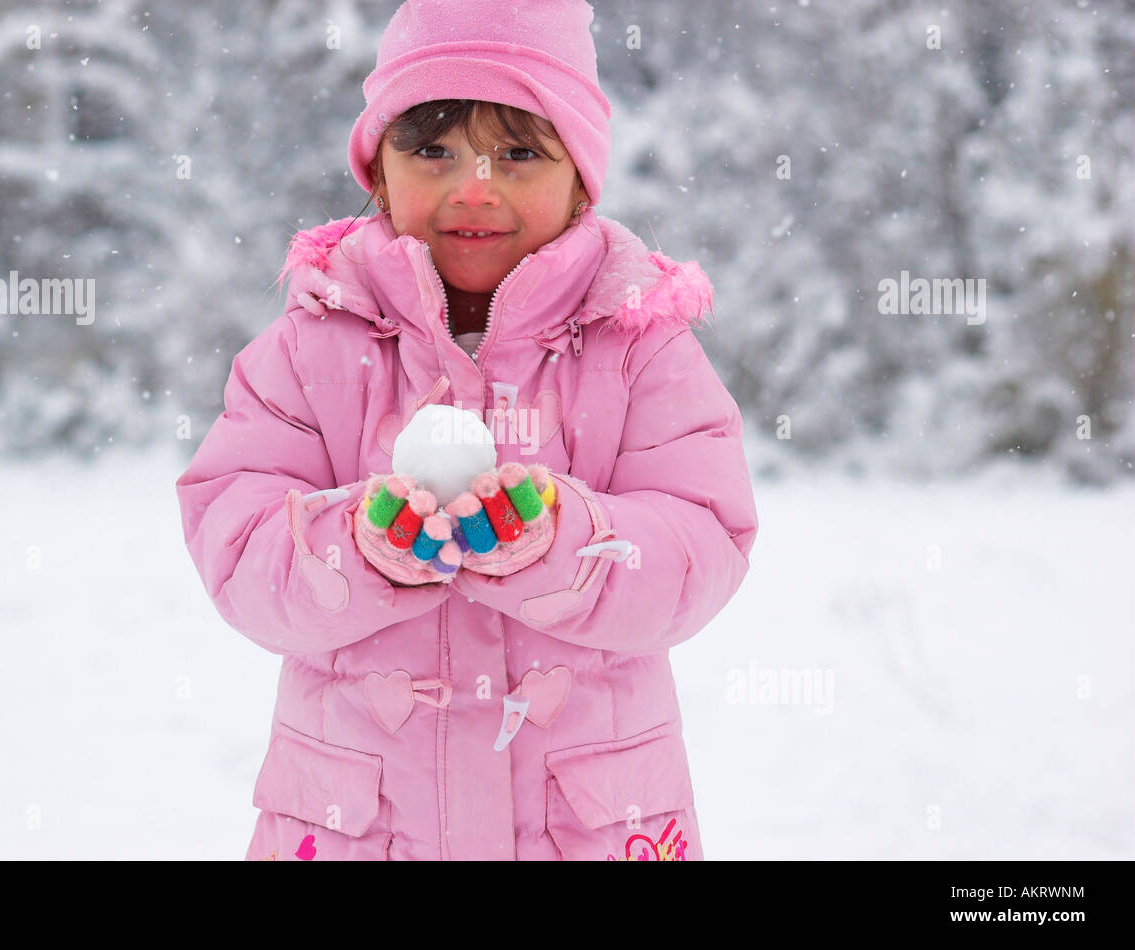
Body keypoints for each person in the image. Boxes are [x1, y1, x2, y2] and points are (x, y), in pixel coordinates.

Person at [175, 0, 758, 861]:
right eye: (432, 150)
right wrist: (360, 545)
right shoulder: (313, 343)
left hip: (588, 826)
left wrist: (567, 541)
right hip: (359, 826)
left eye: (518, 152)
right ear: (378, 169)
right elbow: (236, 538)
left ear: (582, 177)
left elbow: (700, 539)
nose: (473, 187)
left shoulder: (637, 344)